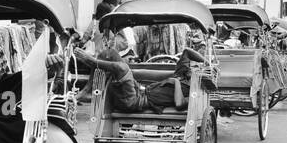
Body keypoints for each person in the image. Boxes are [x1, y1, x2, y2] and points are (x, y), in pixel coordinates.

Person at [74, 35, 207, 113]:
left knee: (122, 68)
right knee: (108, 53)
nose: (192, 69)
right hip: (137, 88)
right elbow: (187, 52)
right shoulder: (181, 73)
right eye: (192, 67)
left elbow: (179, 104)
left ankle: (91, 61)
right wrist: (206, 62)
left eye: (195, 70)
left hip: (136, 101)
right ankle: (87, 89)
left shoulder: (192, 92)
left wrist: (177, 82)